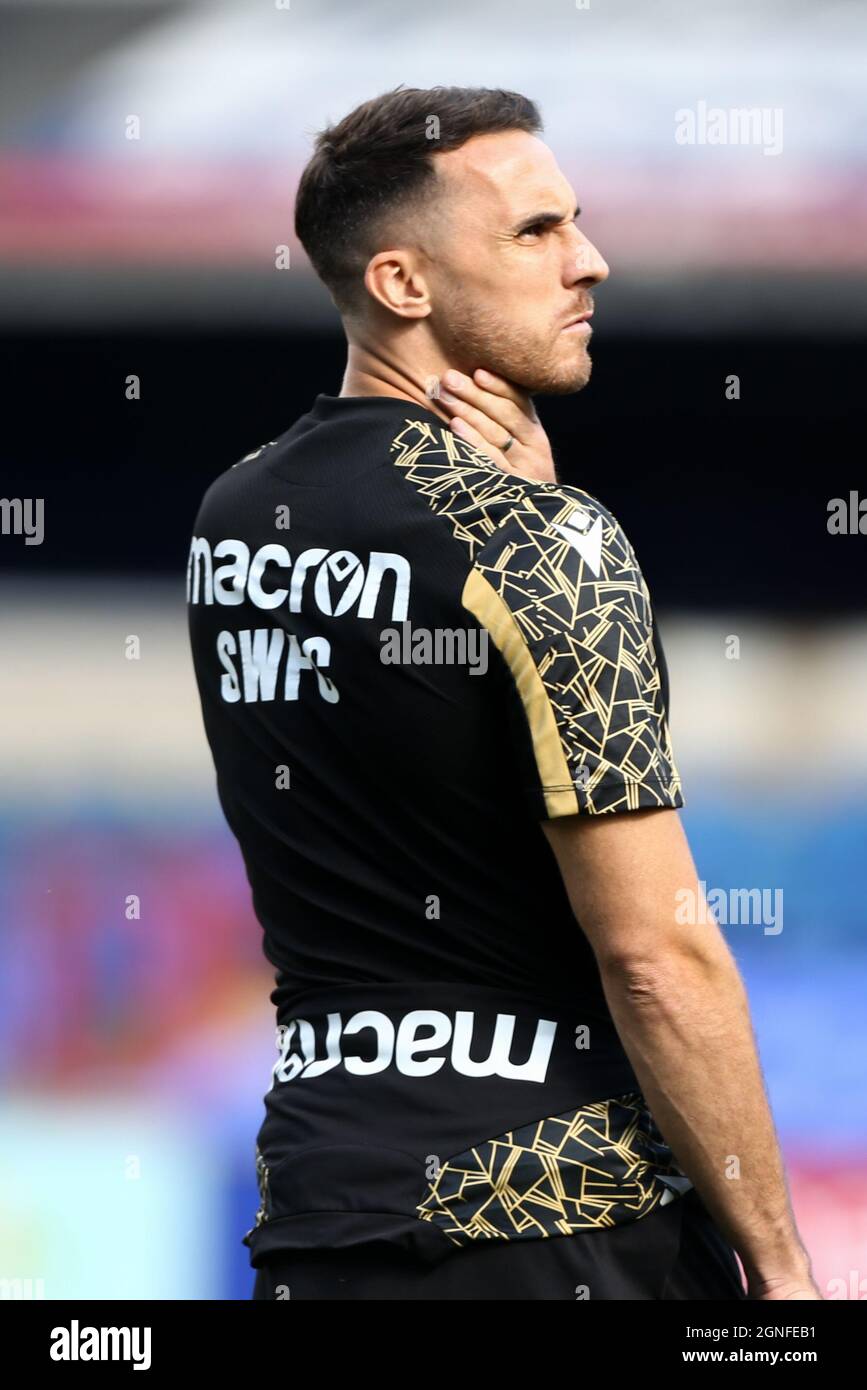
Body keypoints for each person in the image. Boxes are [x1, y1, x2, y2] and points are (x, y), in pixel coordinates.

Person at [186, 84, 819, 1300]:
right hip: (557, 1224)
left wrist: (537, 516)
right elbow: (655, 958)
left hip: (324, 1218)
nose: (591, 261)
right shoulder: (547, 545)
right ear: (403, 284)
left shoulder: (232, 514)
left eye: (574, 223)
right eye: (535, 232)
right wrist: (784, 1266)